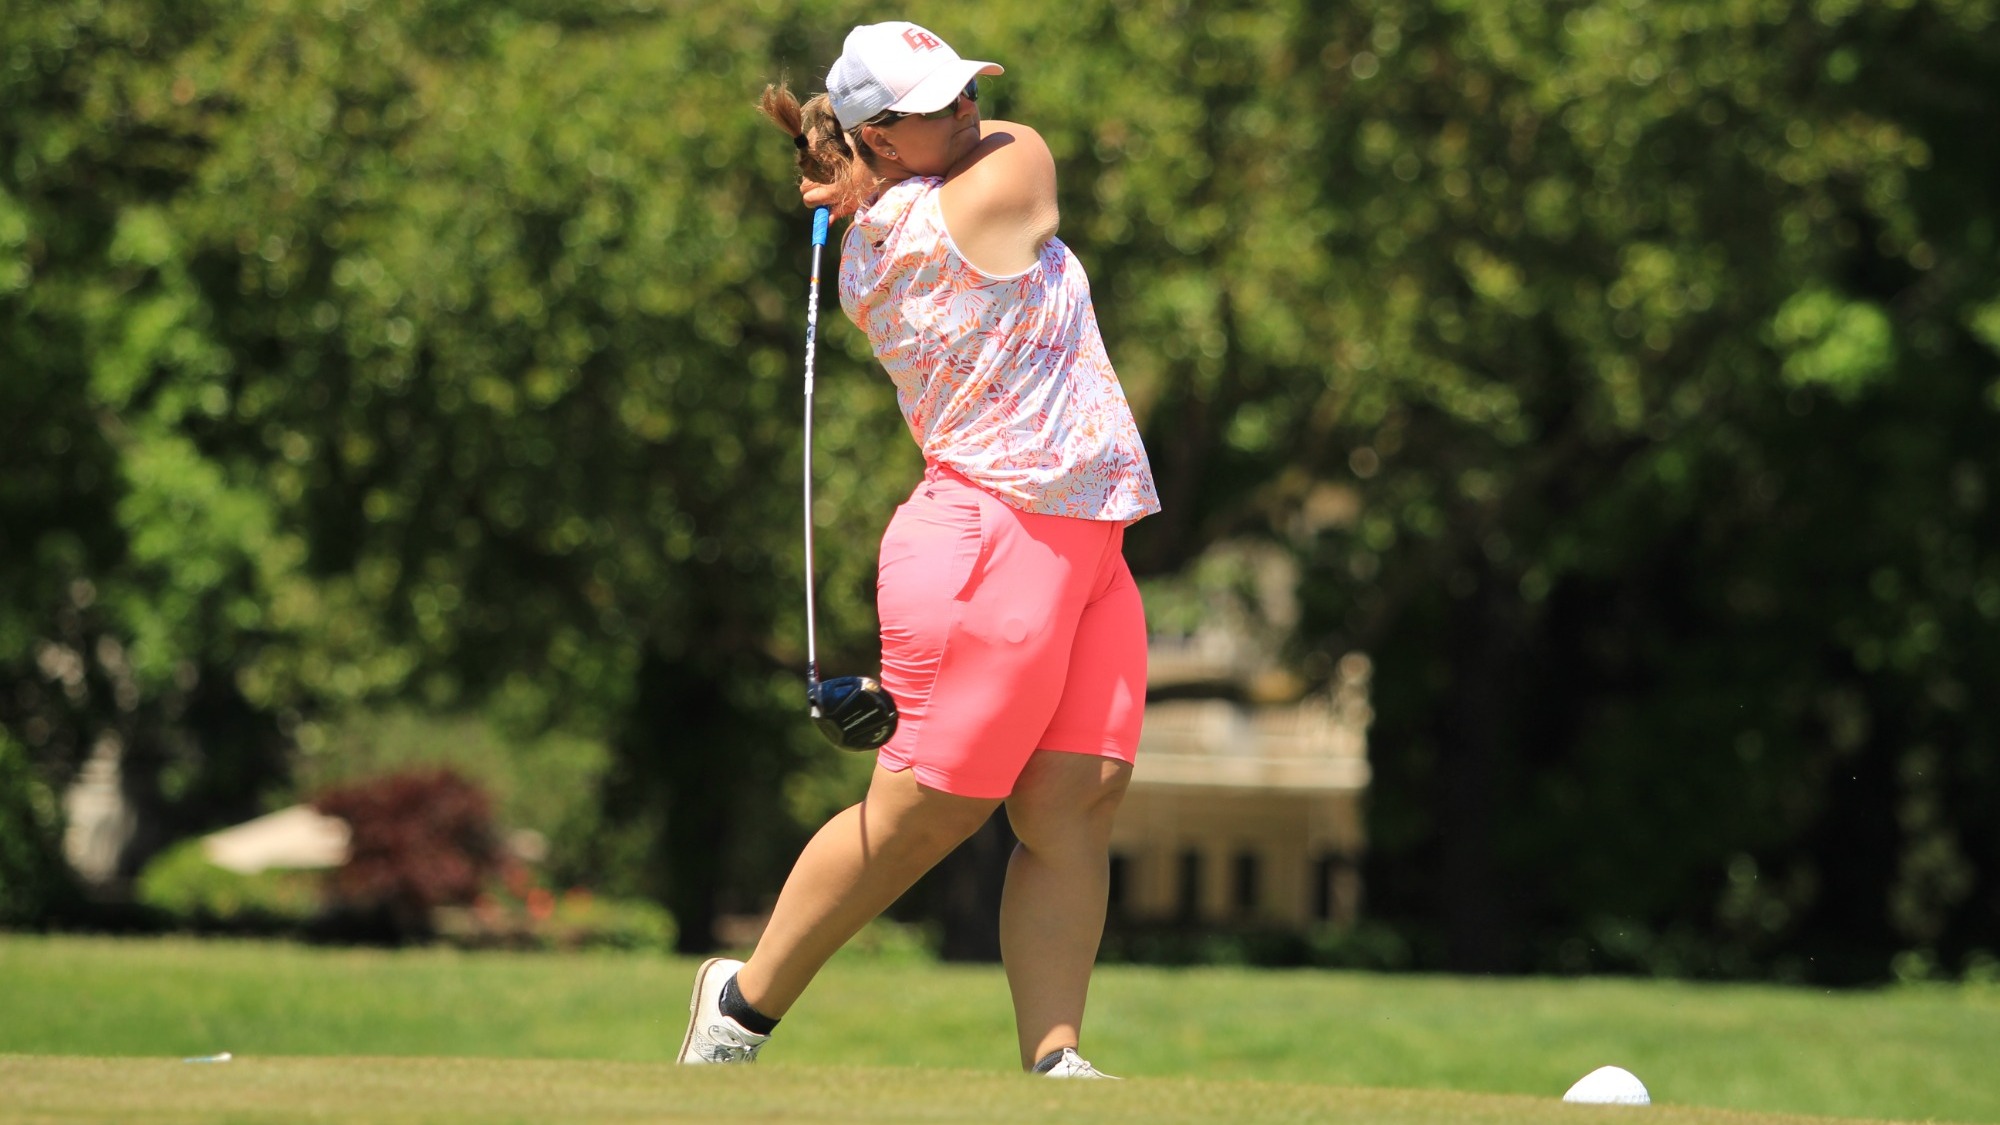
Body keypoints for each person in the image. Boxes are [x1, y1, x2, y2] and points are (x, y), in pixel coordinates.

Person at [677, 20, 1160, 1079]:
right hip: (992, 539)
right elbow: (1028, 142)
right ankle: (740, 1005)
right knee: (926, 807)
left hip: (1087, 536)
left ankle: (1055, 1062)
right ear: (879, 138)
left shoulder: (880, 218)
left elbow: (973, 138)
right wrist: (861, 171)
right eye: (935, 106)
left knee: (1072, 803)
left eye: (961, 92)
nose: (968, 112)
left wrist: (850, 169)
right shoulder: (977, 200)